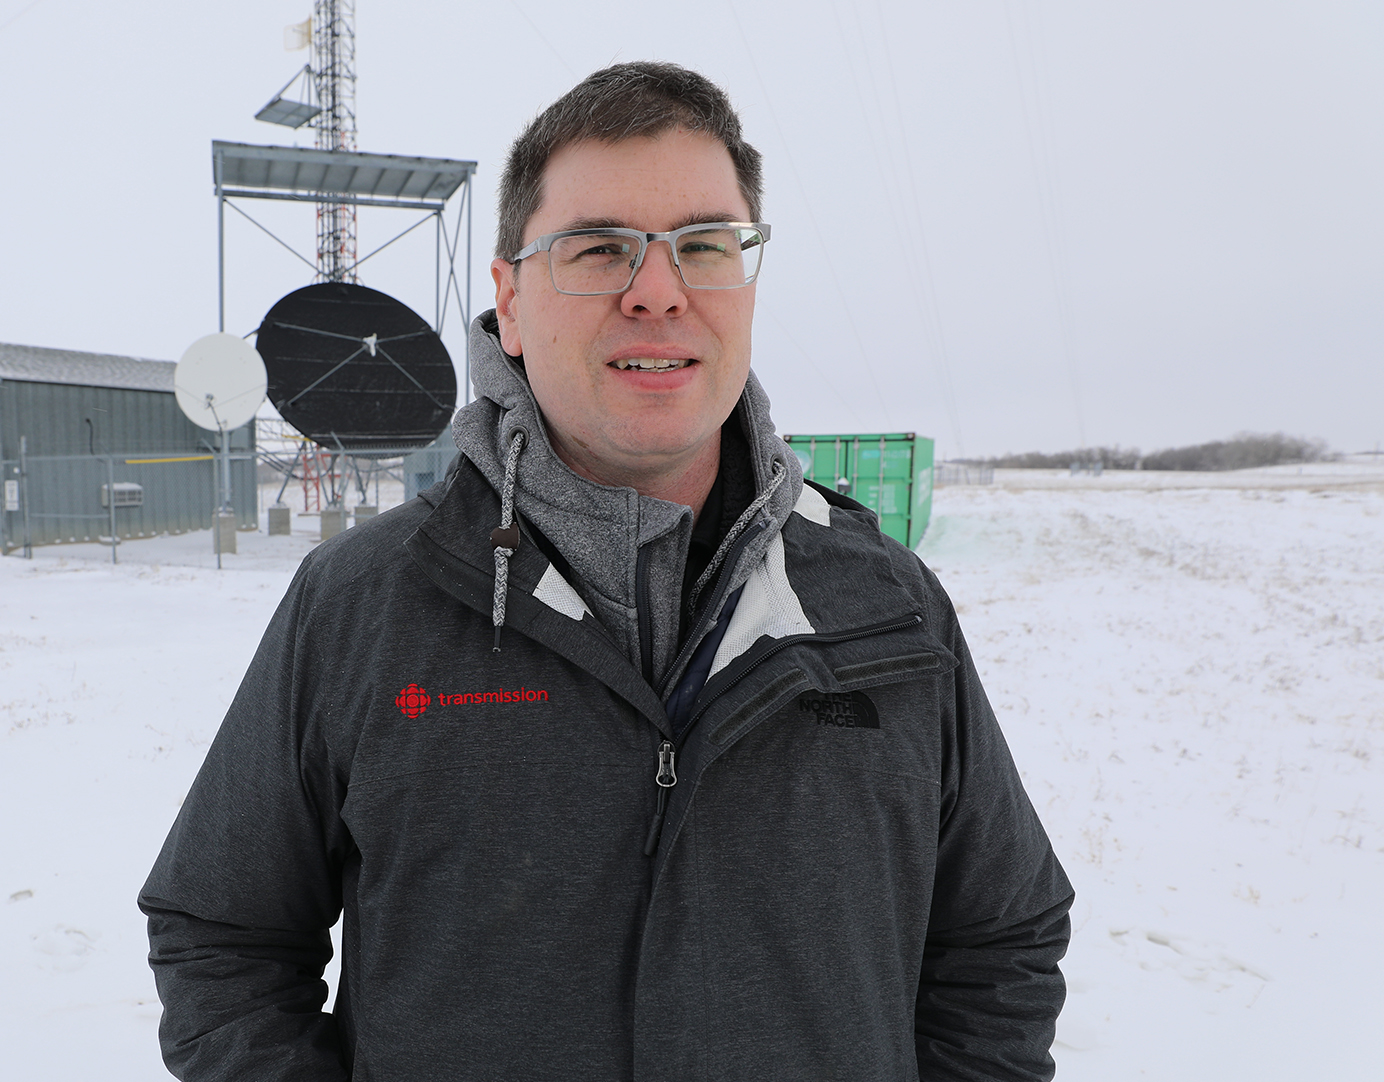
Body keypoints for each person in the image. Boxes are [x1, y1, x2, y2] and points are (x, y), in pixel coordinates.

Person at [140, 61, 1072, 1081]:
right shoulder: (364, 605)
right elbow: (222, 937)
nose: (659, 291)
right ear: (509, 295)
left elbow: (1000, 940)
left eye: (705, 245)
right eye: (598, 249)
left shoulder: (888, 610)